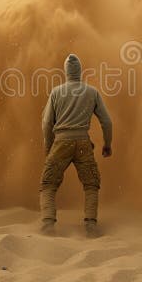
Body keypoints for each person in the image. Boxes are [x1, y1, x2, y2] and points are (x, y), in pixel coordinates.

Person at [40, 53, 113, 237]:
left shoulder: (56, 92)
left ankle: (48, 224)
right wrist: (107, 144)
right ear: (80, 71)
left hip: (60, 142)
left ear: (66, 72)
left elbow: (47, 123)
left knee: (48, 183)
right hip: (83, 143)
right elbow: (107, 121)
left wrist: (48, 148)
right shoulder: (92, 92)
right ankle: (91, 225)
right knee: (91, 184)